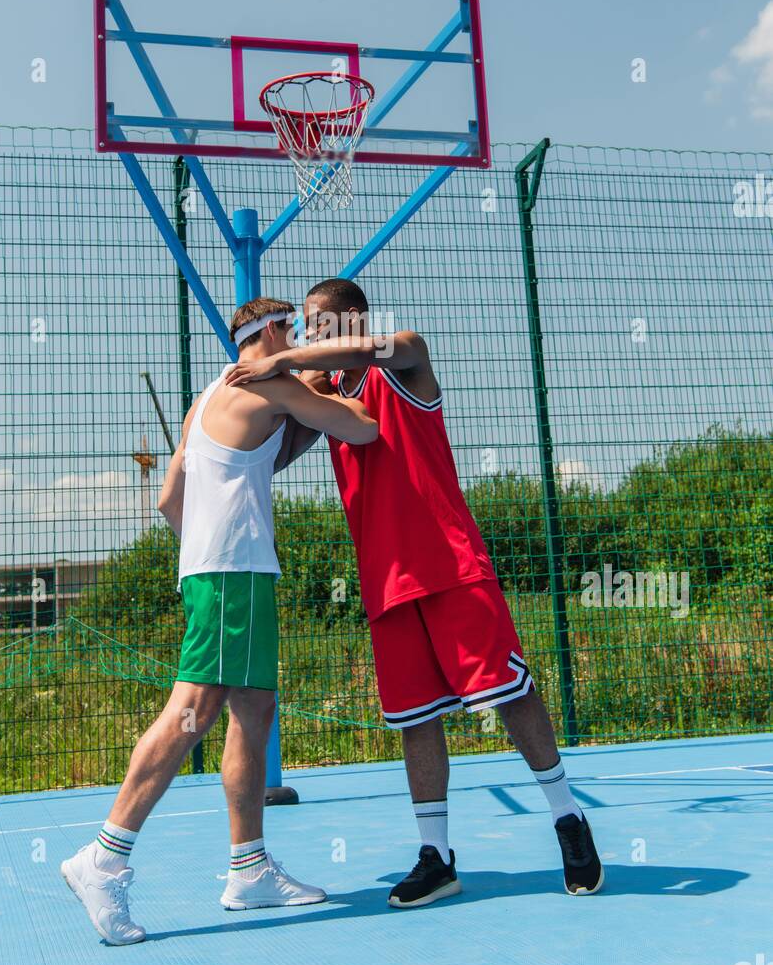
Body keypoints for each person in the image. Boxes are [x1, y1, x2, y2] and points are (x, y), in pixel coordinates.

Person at [225, 278, 603, 908]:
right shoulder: (331, 403)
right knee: (417, 720)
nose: (311, 335)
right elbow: (273, 455)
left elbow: (379, 350)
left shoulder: (404, 356)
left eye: (320, 324)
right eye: (305, 328)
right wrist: (277, 396)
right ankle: (438, 856)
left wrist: (284, 360)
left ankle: (569, 819)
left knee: (510, 696)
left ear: (352, 320)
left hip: (450, 566)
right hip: (387, 584)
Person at [61, 297, 378, 944]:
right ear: (271, 334)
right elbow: (362, 428)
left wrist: (207, 544)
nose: (298, 339)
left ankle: (249, 869)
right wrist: (327, 376)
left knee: (253, 709)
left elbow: (168, 497)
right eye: (292, 330)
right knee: (194, 708)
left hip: (216, 569)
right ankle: (104, 857)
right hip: (233, 573)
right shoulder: (271, 384)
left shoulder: (206, 398)